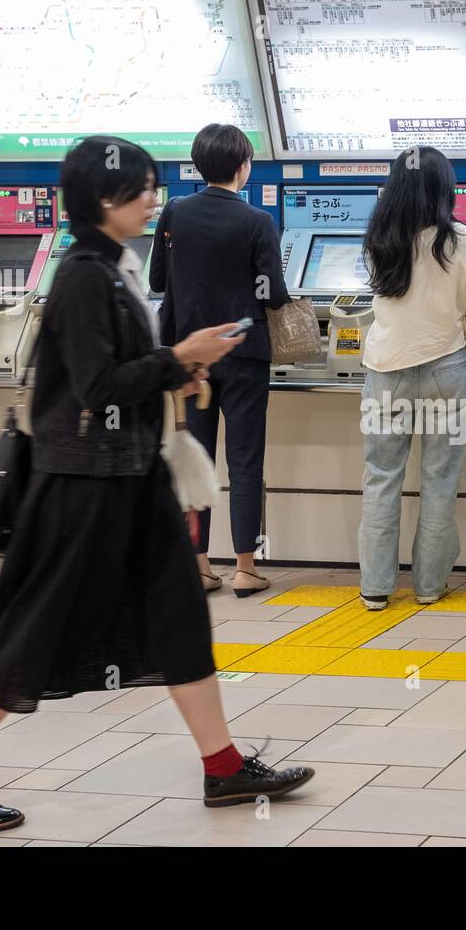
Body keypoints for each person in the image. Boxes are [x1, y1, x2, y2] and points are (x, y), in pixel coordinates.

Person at [0, 137, 312, 833]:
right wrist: (178, 356)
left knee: (181, 616)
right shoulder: (84, 275)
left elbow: (122, 367)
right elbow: (97, 386)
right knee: (29, 633)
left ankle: (222, 765)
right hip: (82, 486)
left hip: (129, 474)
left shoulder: (110, 264)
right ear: (102, 200)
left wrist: (172, 367)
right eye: (142, 191)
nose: (154, 201)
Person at [151, 124, 290, 598]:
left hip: (191, 359)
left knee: (198, 461)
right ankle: (246, 568)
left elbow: (156, 280)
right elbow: (273, 293)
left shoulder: (175, 213)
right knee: (246, 461)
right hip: (244, 354)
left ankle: (200, 564)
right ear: (242, 166)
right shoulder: (257, 221)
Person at [356, 146, 466, 610]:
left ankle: (375, 588)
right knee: (439, 480)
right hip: (446, 373)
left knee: (380, 478)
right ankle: (429, 587)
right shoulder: (464, 239)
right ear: (444, 188)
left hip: (384, 373)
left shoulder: (378, 236)